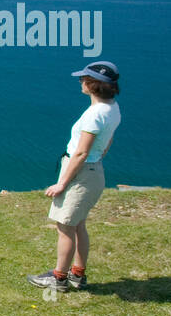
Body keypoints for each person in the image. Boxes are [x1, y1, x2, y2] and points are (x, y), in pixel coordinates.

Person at [27, 61, 122, 292]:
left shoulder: (95, 115)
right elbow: (106, 144)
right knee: (78, 224)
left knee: (65, 226)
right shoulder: (113, 108)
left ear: (93, 84)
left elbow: (81, 152)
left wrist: (62, 183)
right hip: (94, 170)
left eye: (84, 78)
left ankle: (58, 279)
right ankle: (77, 274)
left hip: (80, 171)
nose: (80, 81)